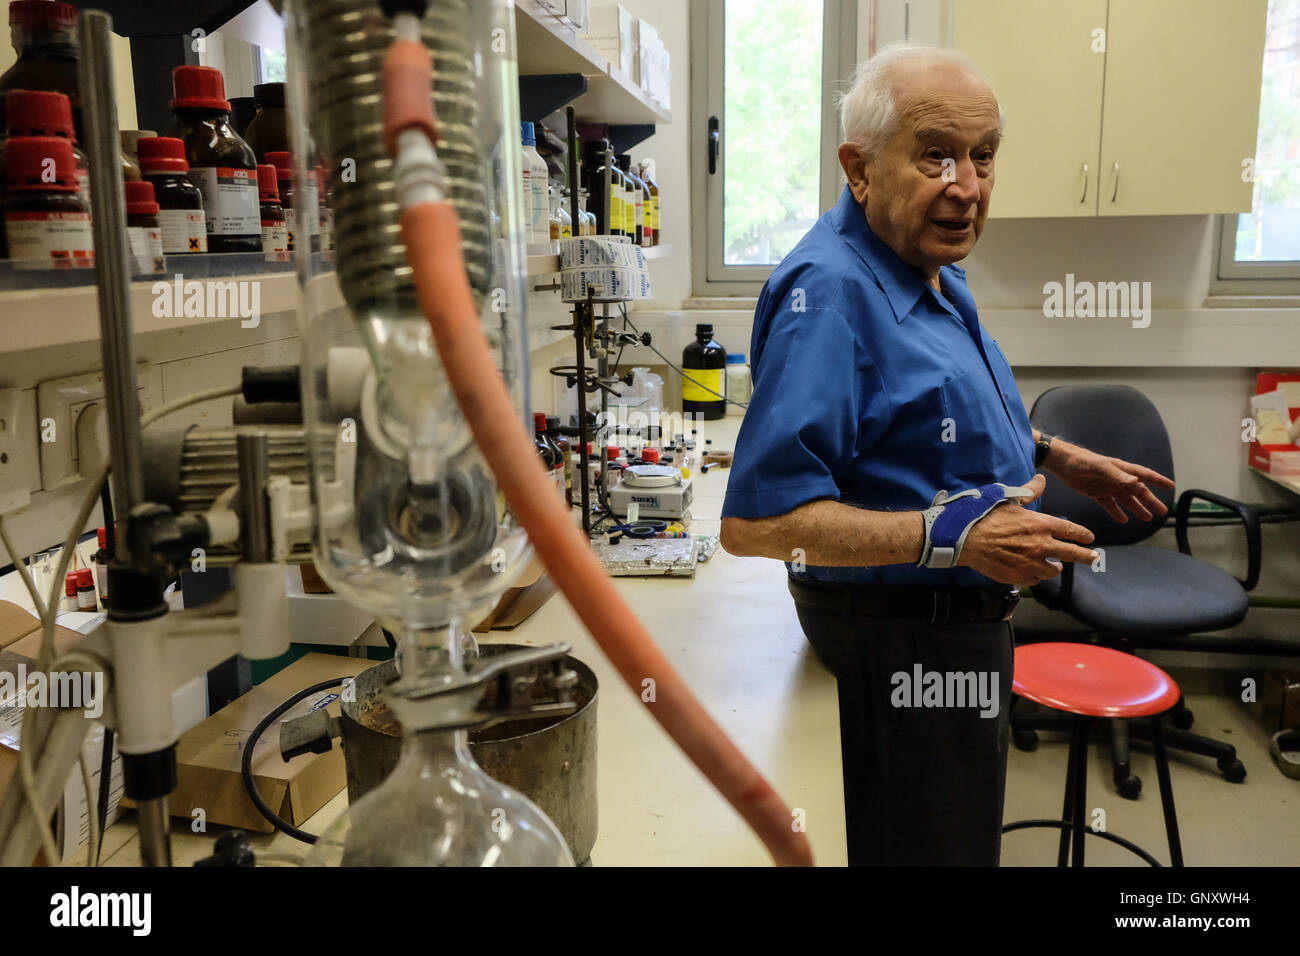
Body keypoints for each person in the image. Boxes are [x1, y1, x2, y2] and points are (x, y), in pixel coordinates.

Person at [718, 44, 1175, 866]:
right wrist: (953, 538)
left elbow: (929, 414)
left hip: (960, 627)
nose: (966, 185)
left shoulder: (928, 263)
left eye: (984, 156)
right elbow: (759, 522)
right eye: (935, 154)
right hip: (902, 643)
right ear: (858, 169)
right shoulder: (831, 297)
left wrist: (1061, 455)